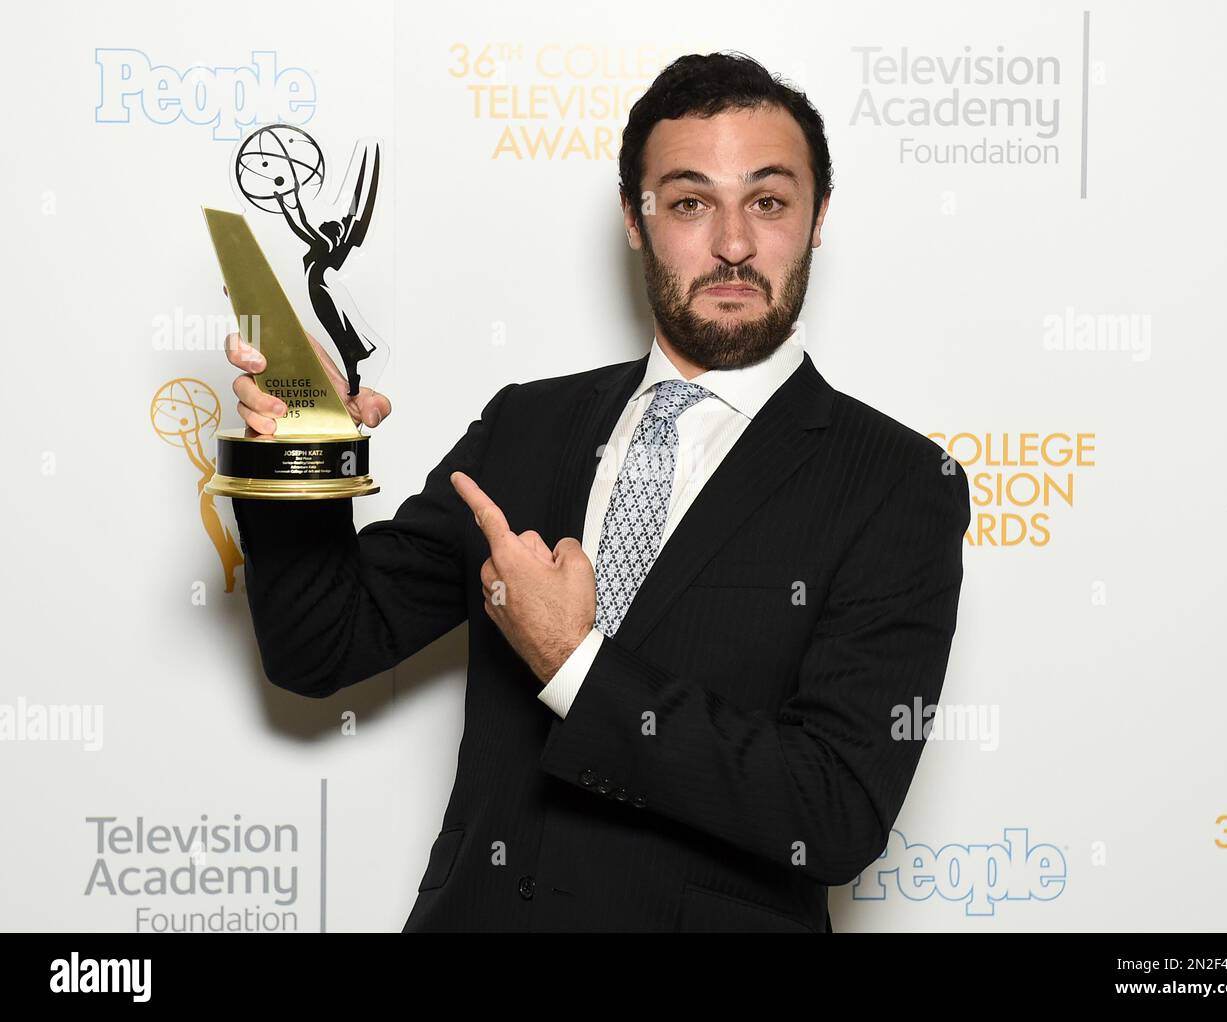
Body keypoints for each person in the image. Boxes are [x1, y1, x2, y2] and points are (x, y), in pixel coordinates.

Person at [224, 51, 970, 933]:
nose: (733, 243)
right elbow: (322, 648)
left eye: (768, 201)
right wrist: (301, 456)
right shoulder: (526, 427)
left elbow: (835, 813)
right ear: (634, 217)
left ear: (817, 220)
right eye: (690, 202)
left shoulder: (895, 483)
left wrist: (573, 661)